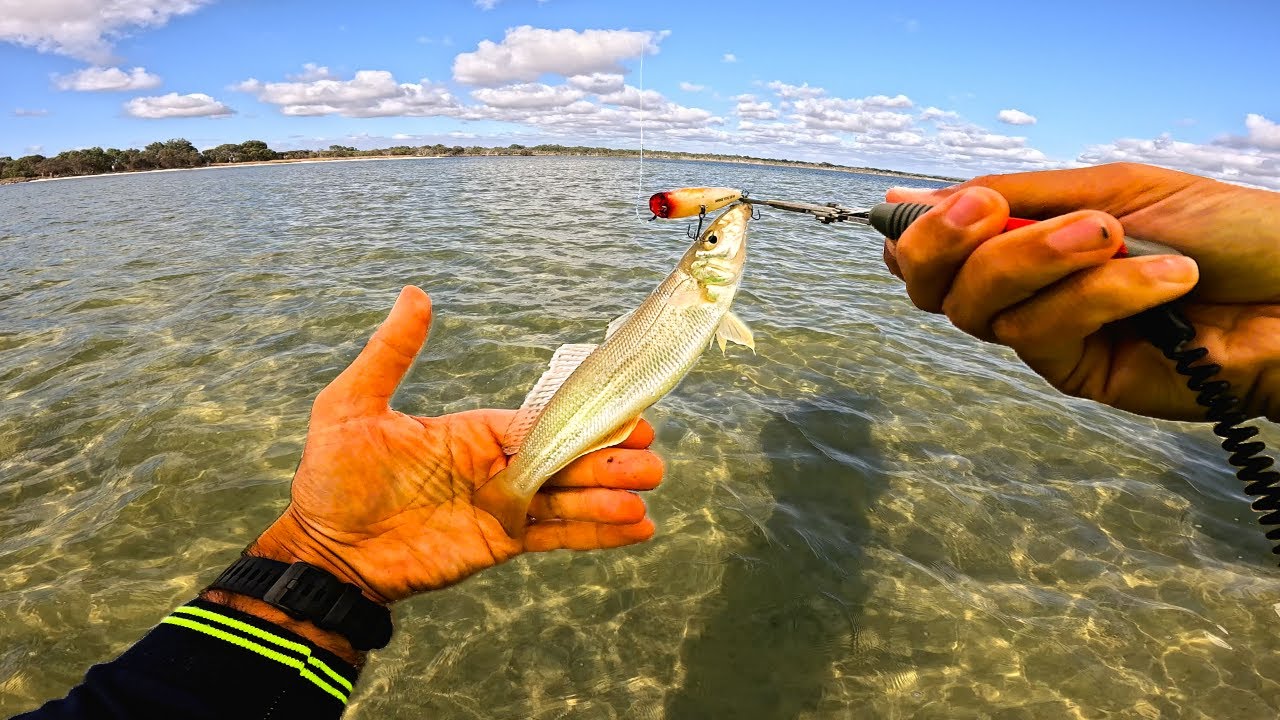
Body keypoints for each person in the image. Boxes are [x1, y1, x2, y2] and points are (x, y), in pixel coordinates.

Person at [14, 162, 1279, 718]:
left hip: (339, 566)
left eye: (715, 243)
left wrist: (321, 556)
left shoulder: (711, 277)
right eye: (716, 245)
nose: (723, 247)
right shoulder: (709, 277)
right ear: (711, 258)